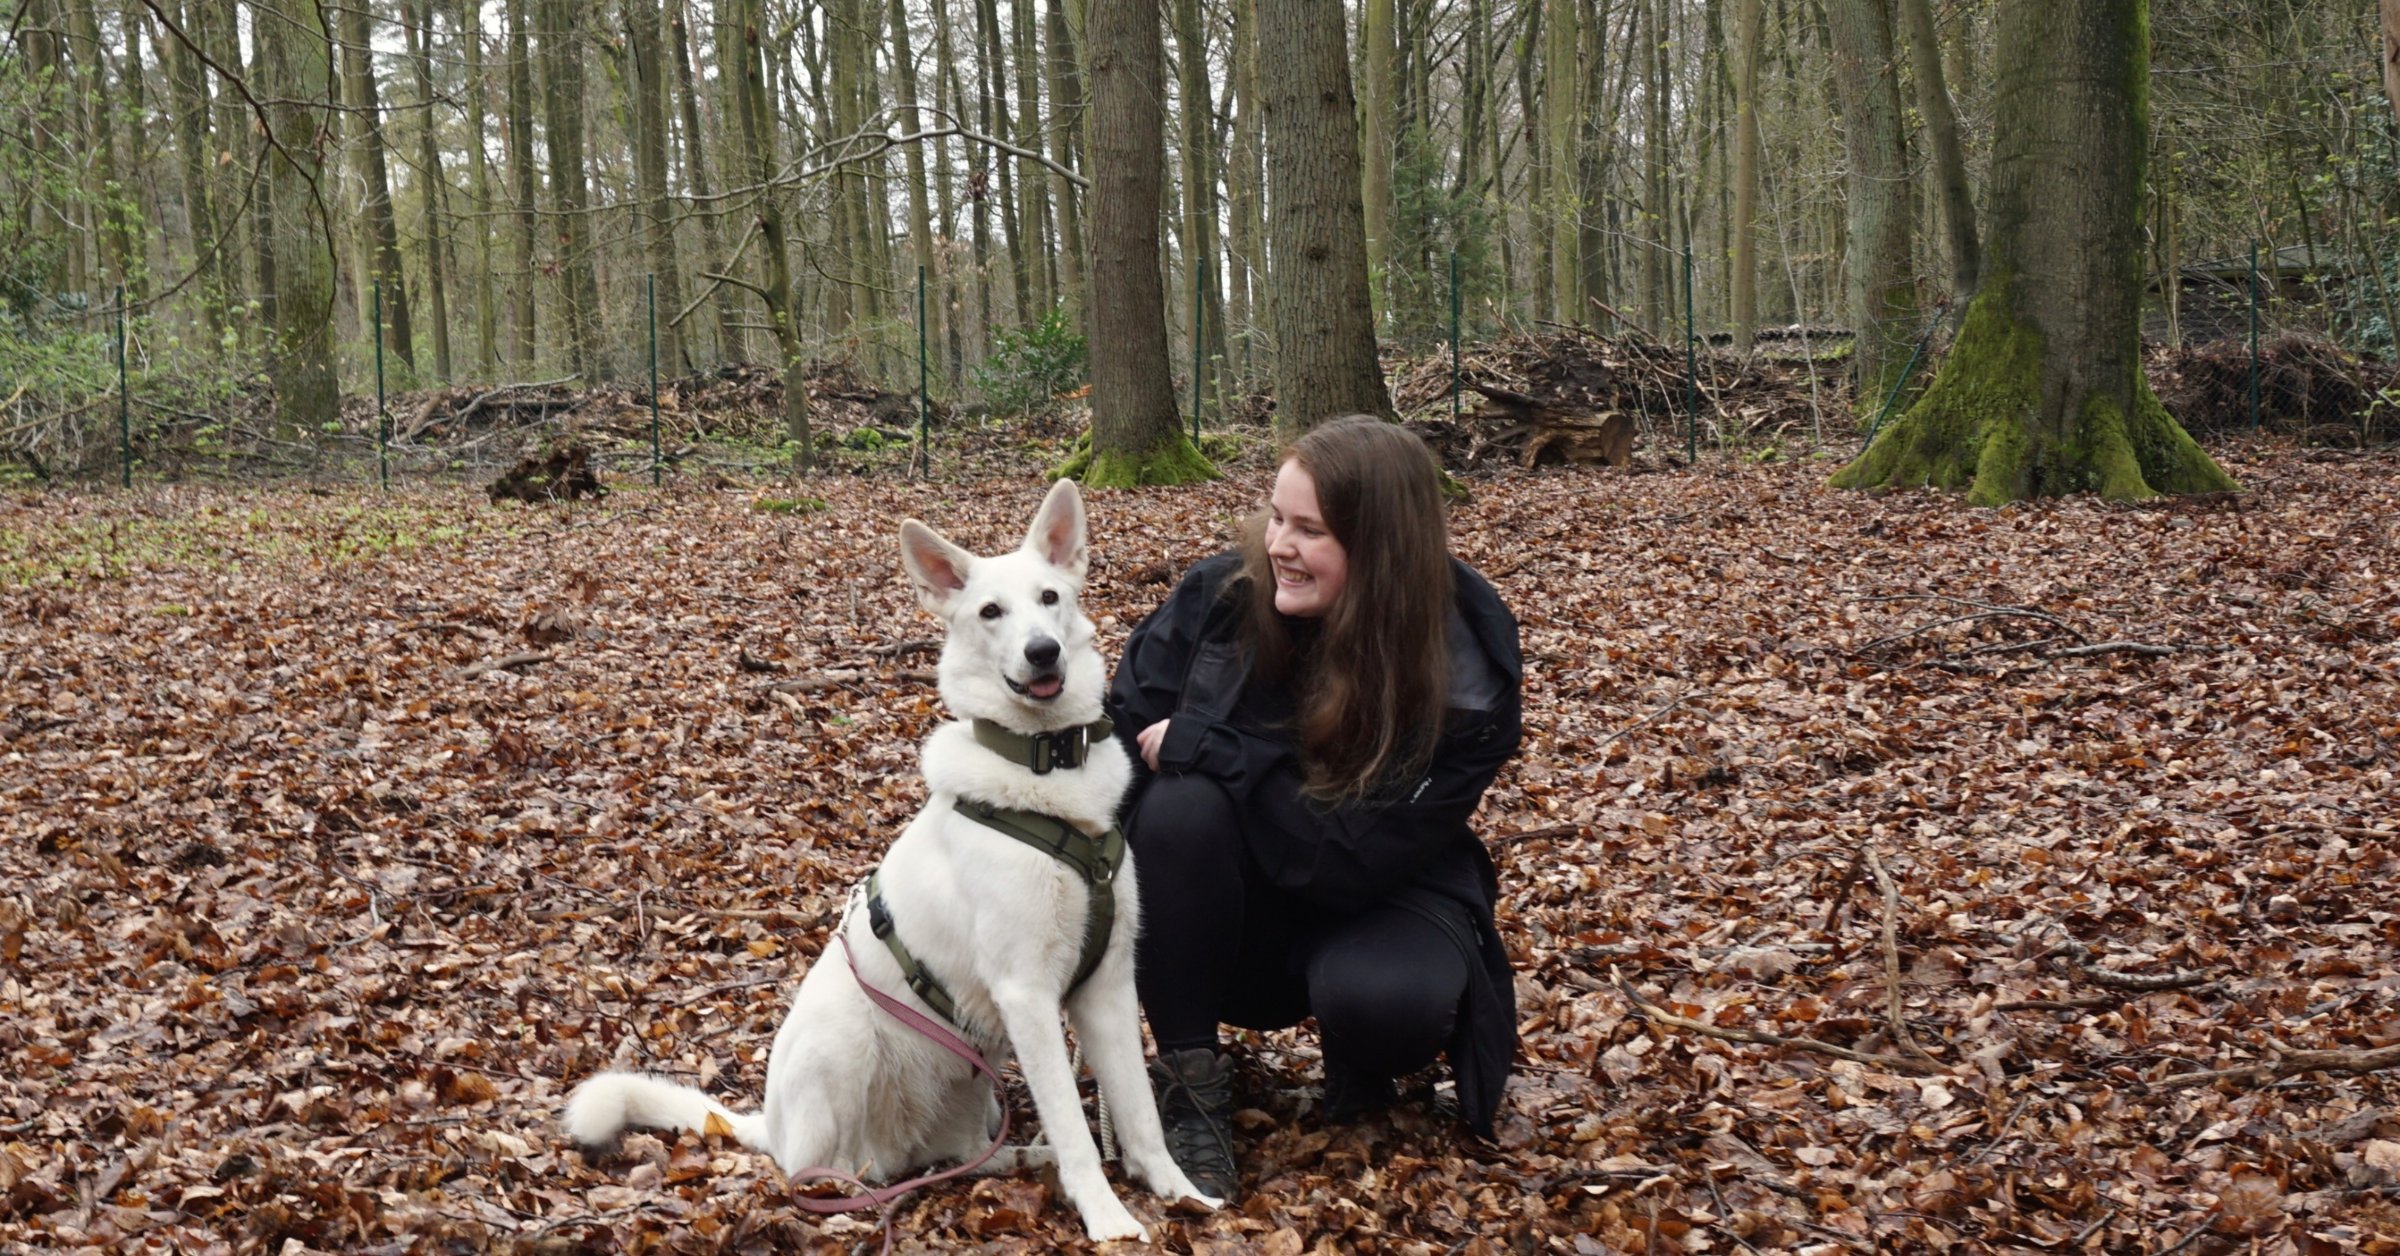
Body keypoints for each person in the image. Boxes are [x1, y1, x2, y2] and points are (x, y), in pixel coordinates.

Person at [1104, 415, 1525, 1202]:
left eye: (1310, 530)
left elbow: (1360, 855)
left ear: (1380, 550)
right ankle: (1189, 1086)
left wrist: (1226, 753)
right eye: (1275, 517)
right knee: (1178, 807)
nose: (1278, 546)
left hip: (1378, 889)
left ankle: (1360, 1058)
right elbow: (1113, 753)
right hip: (1224, 906)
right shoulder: (1218, 600)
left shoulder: (1464, 659)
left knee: (1387, 1002)